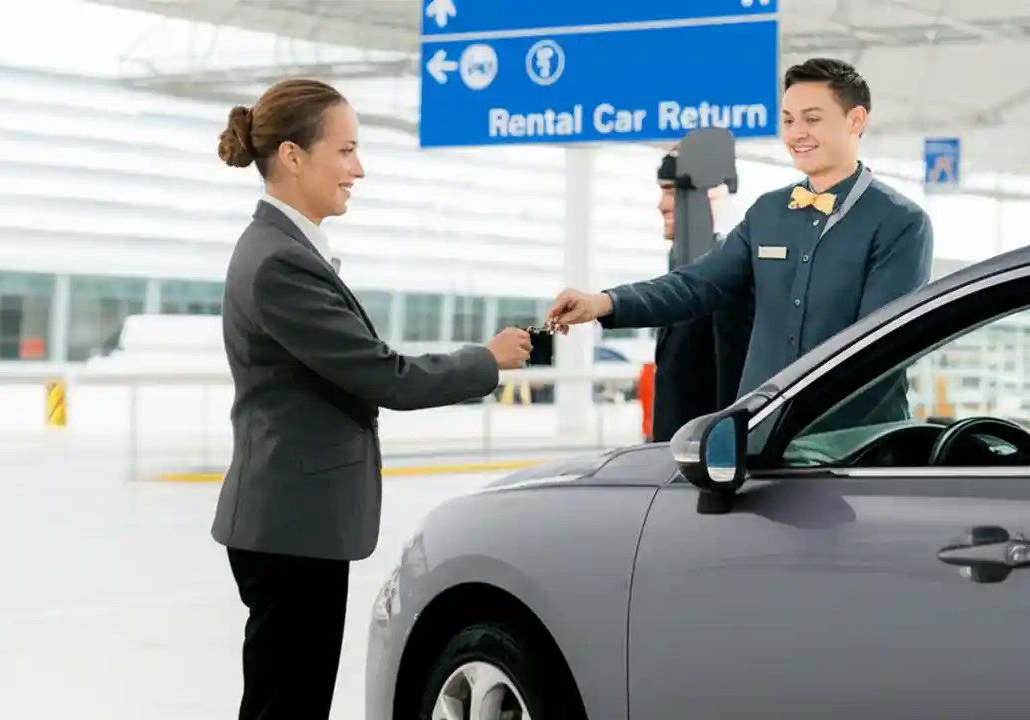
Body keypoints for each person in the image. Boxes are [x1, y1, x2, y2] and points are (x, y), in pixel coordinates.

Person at [210, 78, 532, 720]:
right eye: (346, 150)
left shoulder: (286, 249)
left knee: (287, 698)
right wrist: (485, 360)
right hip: (290, 526)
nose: (358, 169)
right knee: (287, 704)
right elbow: (385, 375)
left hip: (293, 523)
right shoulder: (279, 262)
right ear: (293, 156)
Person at [547, 58, 934, 429]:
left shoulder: (900, 223)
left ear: (856, 120)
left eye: (812, 119)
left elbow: (877, 346)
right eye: (788, 120)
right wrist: (602, 303)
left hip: (853, 441)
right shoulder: (768, 213)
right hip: (763, 436)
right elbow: (696, 284)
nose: (797, 133)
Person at [647, 146, 753, 442]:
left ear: (712, 196)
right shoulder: (682, 263)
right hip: (677, 454)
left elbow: (730, 386)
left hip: (704, 456)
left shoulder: (723, 277)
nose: (661, 205)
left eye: (673, 192)